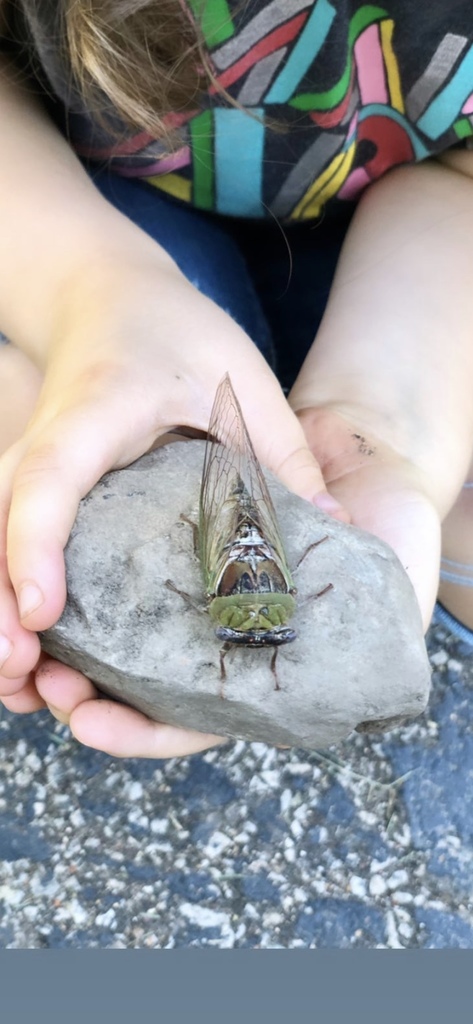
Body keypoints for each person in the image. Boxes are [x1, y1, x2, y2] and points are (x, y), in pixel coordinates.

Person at [1, 0, 473, 759]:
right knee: (127, 450)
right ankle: (62, 361)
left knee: (290, 457)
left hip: (413, 214)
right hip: (83, 181)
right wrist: (85, 291)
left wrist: (386, 427)